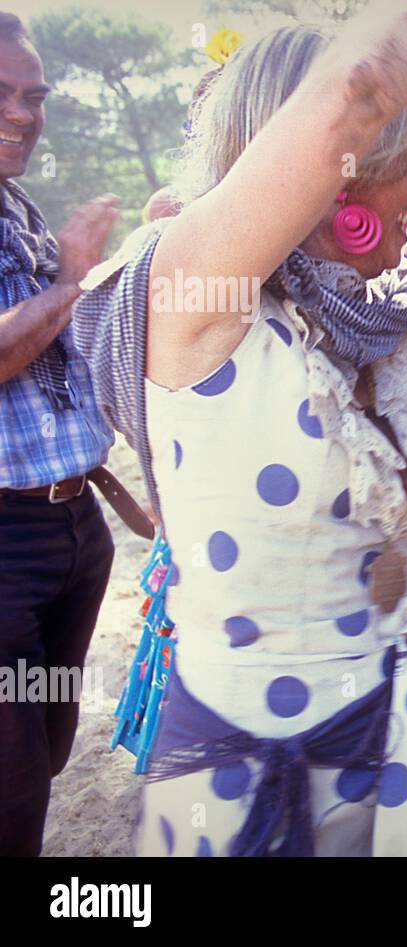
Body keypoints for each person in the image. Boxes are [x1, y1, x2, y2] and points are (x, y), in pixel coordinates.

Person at [73, 1, 407, 856]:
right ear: (340, 176)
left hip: (406, 742)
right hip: (235, 761)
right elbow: (354, 90)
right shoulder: (195, 301)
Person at [0, 13, 121, 857]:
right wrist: (76, 276)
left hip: (74, 528)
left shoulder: (16, 202)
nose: (22, 112)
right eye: (1, 94)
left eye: (32, 95)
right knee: (9, 789)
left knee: (43, 754)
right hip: (6, 543)